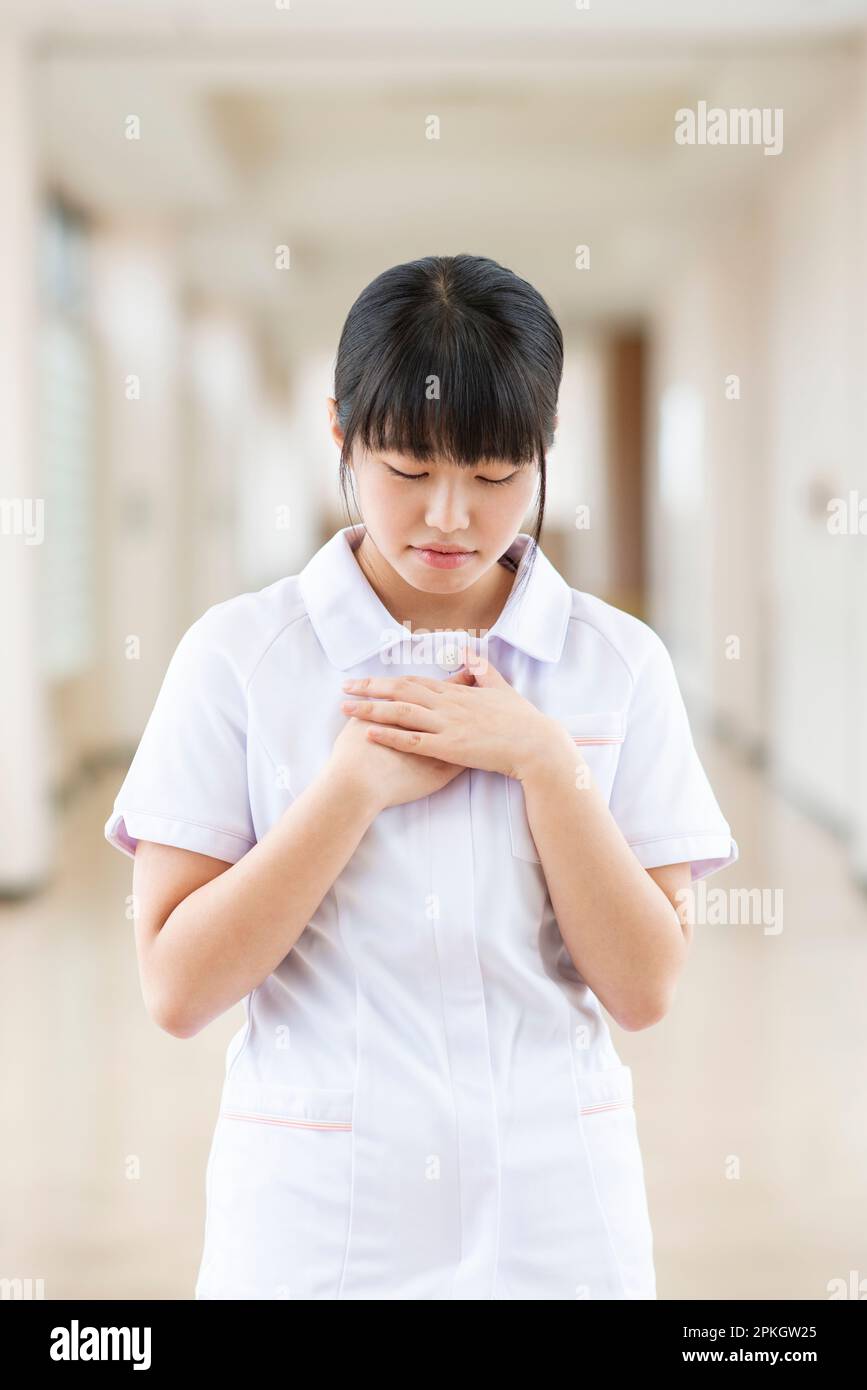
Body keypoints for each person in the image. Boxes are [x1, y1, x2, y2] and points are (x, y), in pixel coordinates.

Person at [104, 253, 738, 1300]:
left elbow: (645, 986)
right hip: (319, 1214)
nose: (450, 518)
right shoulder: (239, 657)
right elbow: (176, 986)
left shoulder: (615, 664)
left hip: (554, 1209)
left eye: (494, 478)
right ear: (341, 432)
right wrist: (349, 791)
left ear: (542, 458)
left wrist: (544, 762)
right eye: (408, 469)